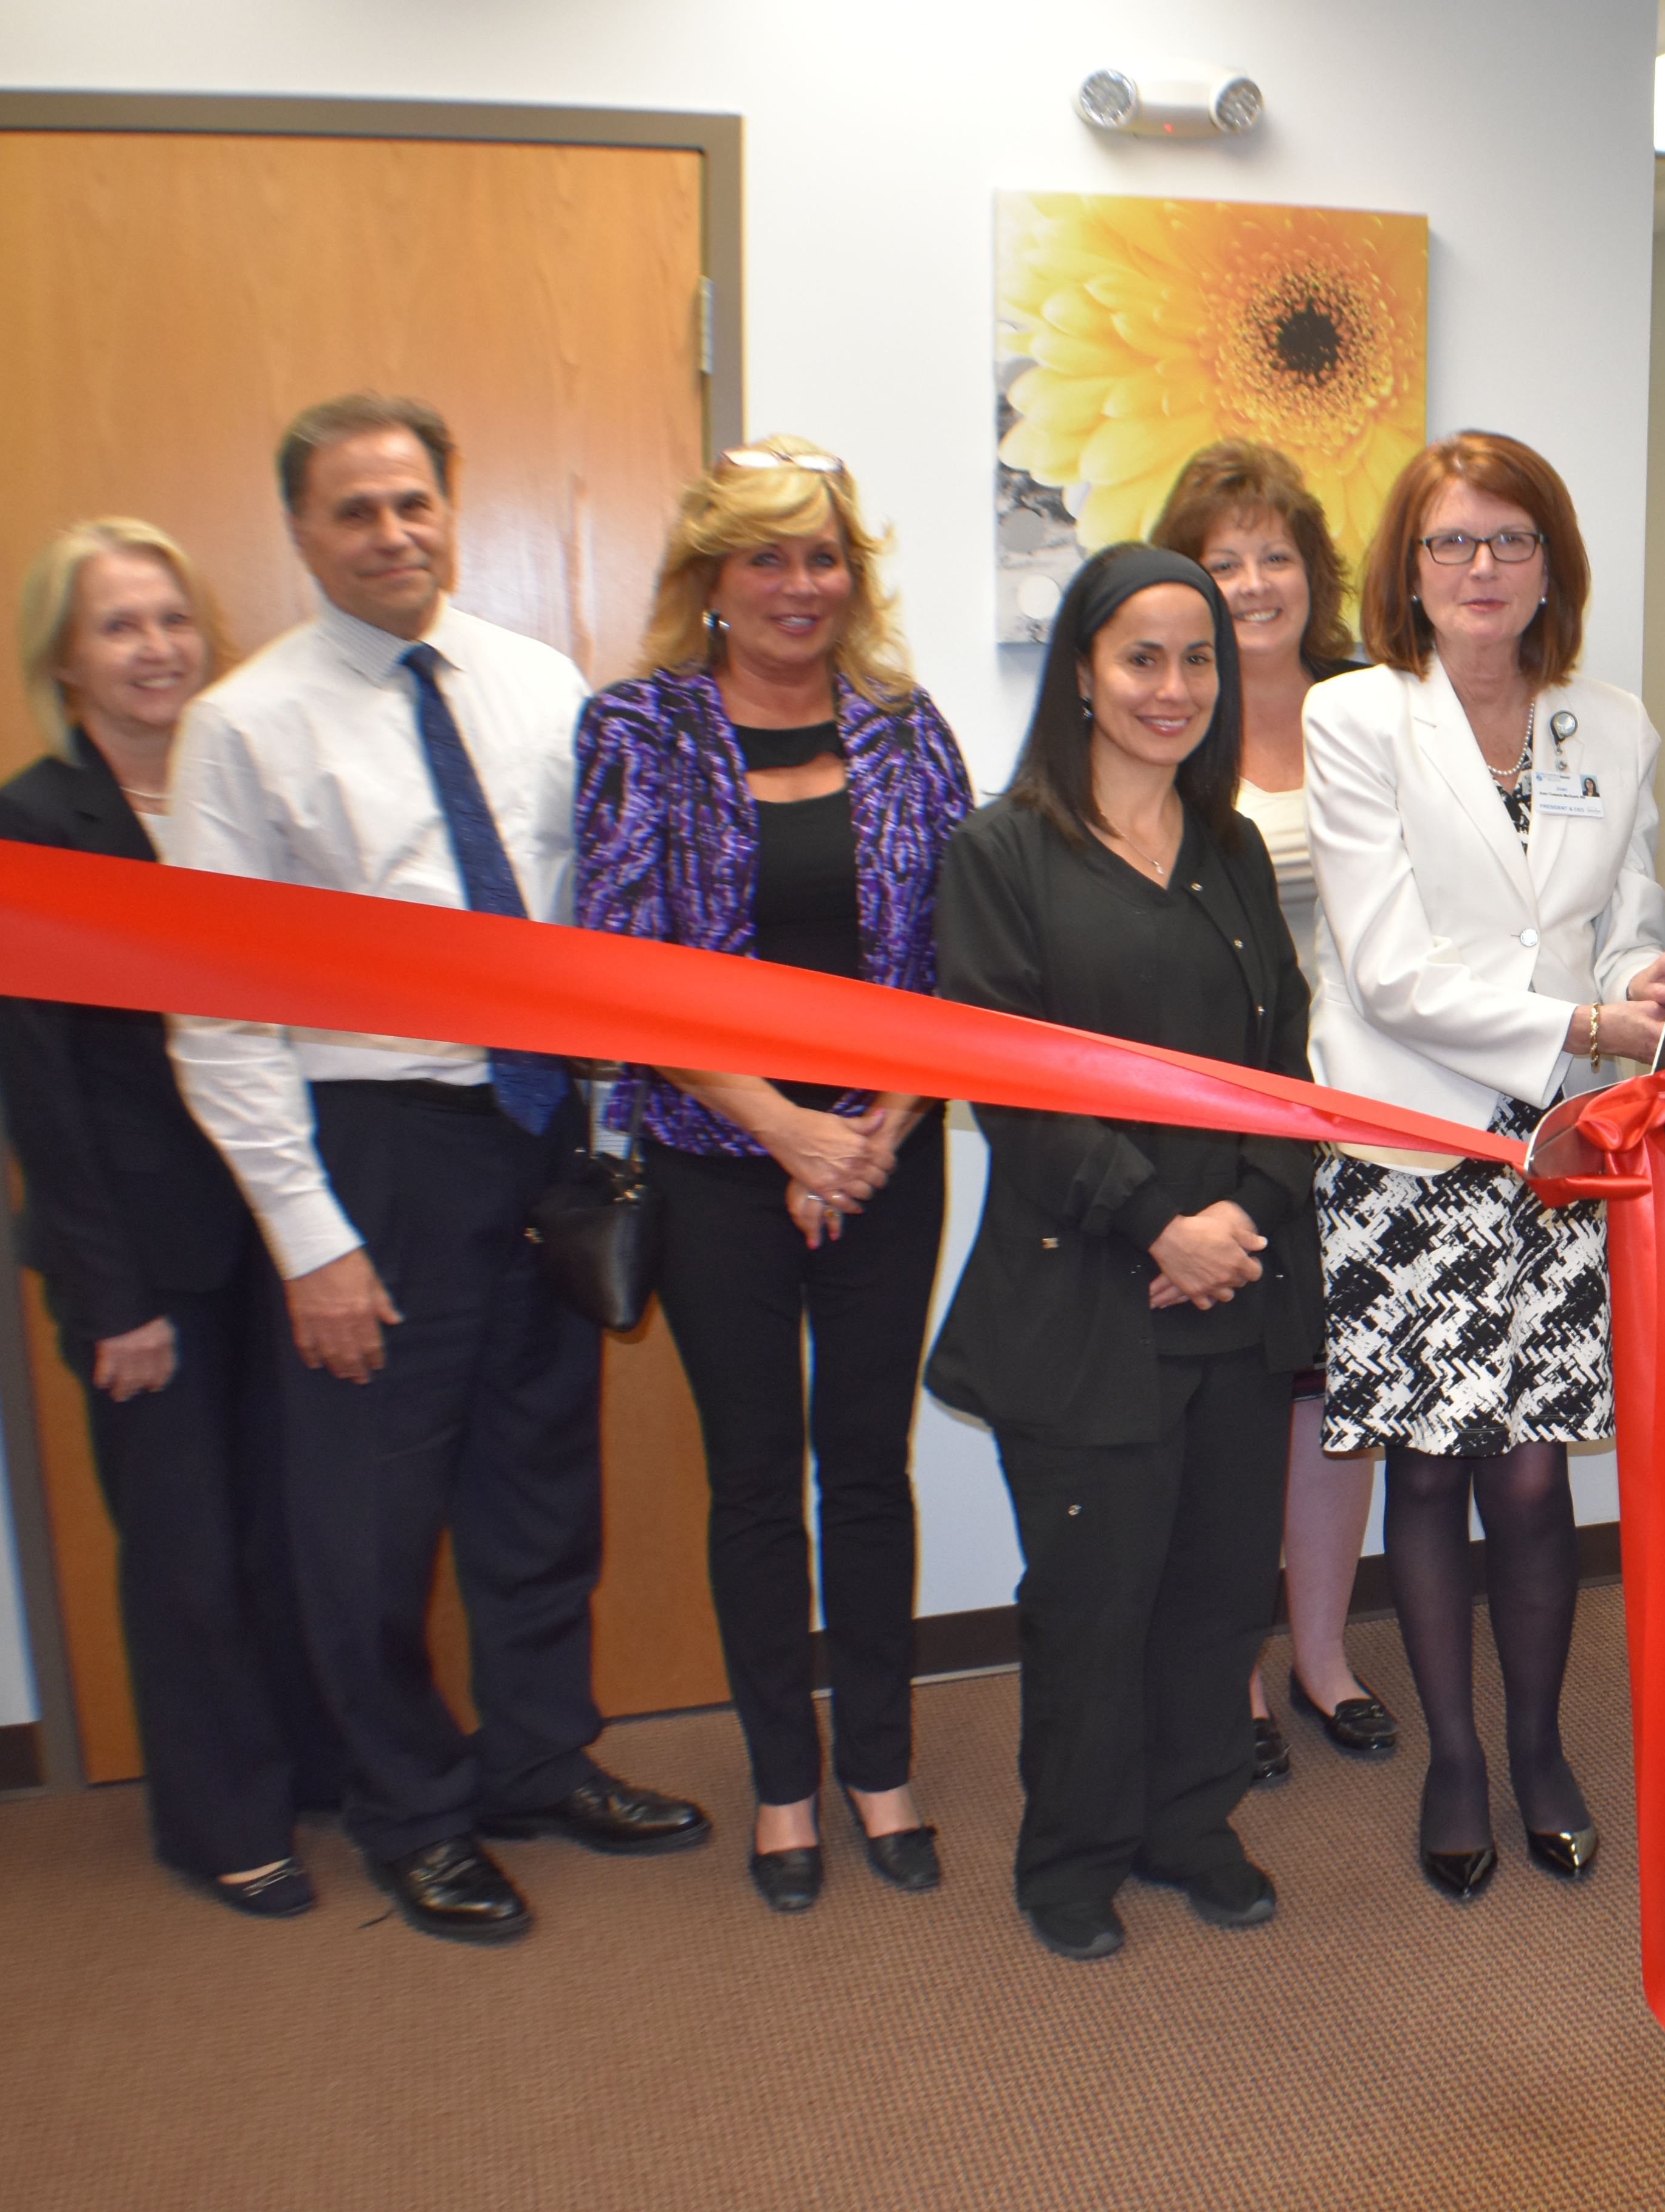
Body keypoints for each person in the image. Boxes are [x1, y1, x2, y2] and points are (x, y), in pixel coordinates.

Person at [166, 394, 711, 1946]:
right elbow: (212, 1008)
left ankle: (543, 1758)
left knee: (541, 1480)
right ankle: (413, 1809)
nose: (393, 534)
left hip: (534, 1137)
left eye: (414, 502)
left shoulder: (539, 684)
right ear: (301, 531)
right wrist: (308, 1237)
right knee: (369, 1520)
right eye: (356, 511)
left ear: (449, 509)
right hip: (372, 1148)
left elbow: (593, 922)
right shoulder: (244, 726)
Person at [574, 438, 972, 1914]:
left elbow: (960, 963)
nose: (801, 586)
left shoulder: (908, 727)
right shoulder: (636, 729)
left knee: (868, 1471)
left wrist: (869, 1127)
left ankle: (881, 1767)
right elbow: (625, 974)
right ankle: (786, 1788)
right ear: (714, 580)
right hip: (711, 1172)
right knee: (754, 1485)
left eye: (824, 557)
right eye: (769, 558)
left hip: (889, 1153)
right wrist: (784, 1132)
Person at [926, 543, 1319, 1965]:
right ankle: (1074, 1850)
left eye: (1199, 657)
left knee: (1219, 1588)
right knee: (1095, 1599)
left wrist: (1245, 1224)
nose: (1174, 687)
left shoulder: (1230, 852)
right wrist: (1160, 1220)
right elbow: (1010, 1081)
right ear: (1083, 671)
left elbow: (1291, 1064)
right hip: (1088, 1289)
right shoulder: (1002, 854)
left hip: (1235, 1281)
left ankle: (1188, 1822)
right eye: (1142, 657)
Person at [1306, 431, 1665, 1900]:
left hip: (1554, 1151)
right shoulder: (1359, 718)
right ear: (1409, 566)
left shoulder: (1612, 720)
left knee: (1533, 1480)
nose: (1481, 569)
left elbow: (1634, 909)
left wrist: (1656, 993)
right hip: (1409, 1143)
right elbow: (1385, 965)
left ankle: (1537, 1744)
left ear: (1551, 566)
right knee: (1428, 1458)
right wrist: (1584, 1020)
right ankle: (1455, 1757)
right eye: (1452, 543)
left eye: (1510, 542)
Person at [0, 518, 342, 1917]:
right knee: (185, 1545)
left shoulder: (243, 785)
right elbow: (45, 1095)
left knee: (288, 1523)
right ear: (64, 659)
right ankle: (222, 1817)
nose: (156, 648)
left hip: (284, 1233)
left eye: (172, 619)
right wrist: (109, 1295)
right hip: (144, 1262)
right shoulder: (23, 824)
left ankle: (313, 1767)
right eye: (119, 625)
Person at [1149, 441, 1399, 1784]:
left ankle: (1321, 1653)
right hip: (1224, 1119)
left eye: (1276, 554)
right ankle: (1230, 1660)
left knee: (1331, 1396)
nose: (1252, 582)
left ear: (1317, 571)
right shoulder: (1164, 719)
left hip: (1365, 1111)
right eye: (1222, 557)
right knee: (1233, 1402)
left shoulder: (1374, 707)